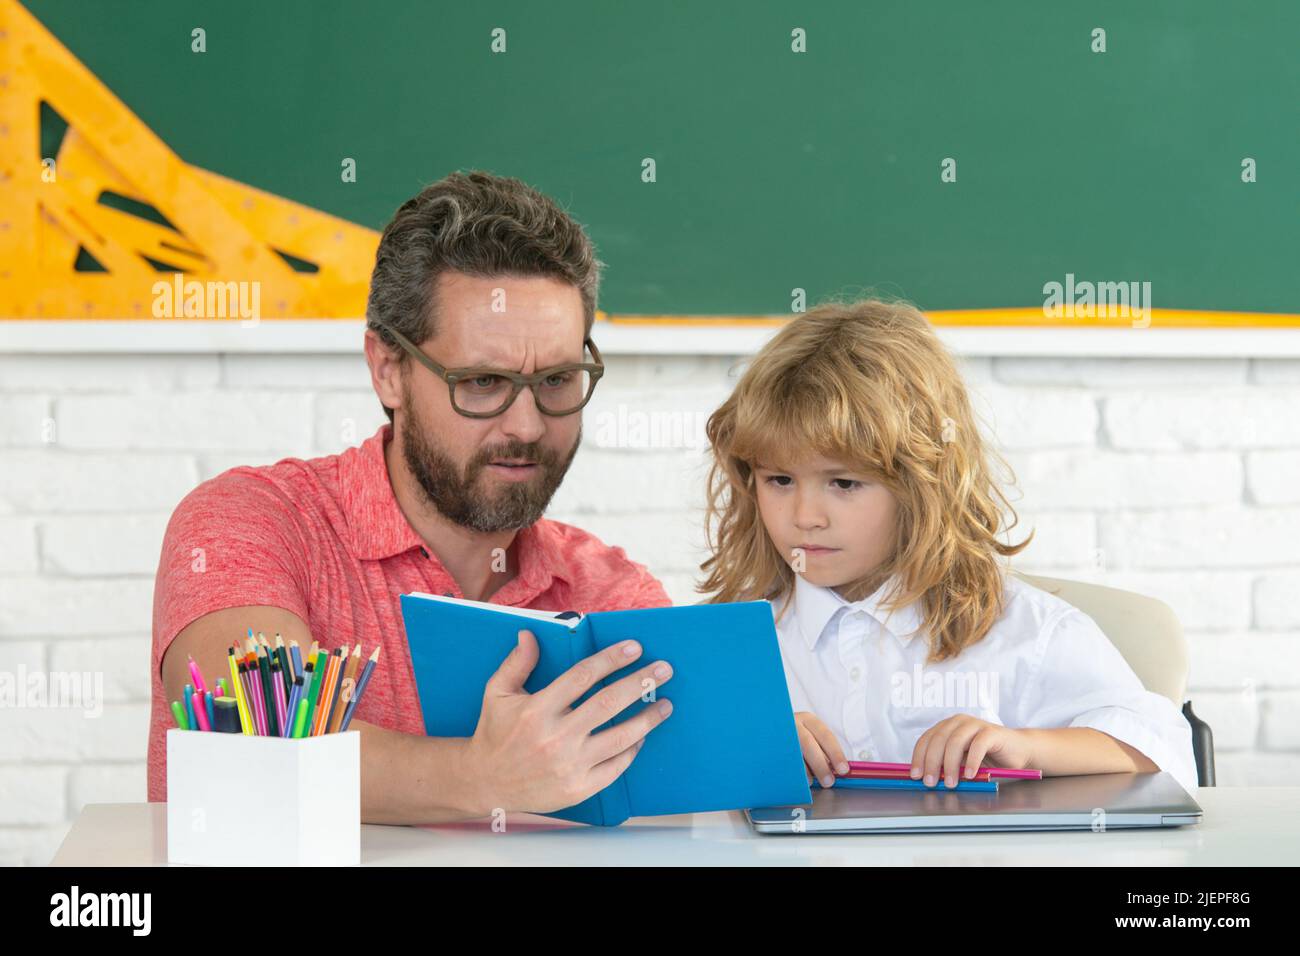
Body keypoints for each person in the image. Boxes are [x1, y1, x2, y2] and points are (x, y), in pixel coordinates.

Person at [151, 171, 675, 822]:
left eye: (559, 379)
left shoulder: (608, 595)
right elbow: (251, 734)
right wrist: (483, 778)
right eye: (484, 381)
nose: (528, 425)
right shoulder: (250, 523)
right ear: (388, 370)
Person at [698, 298, 1199, 795]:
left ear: (923, 484)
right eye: (780, 480)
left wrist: (1026, 746)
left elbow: (1165, 751)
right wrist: (737, 748)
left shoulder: (1025, 631)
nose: (805, 517)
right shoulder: (731, 641)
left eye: (844, 483)